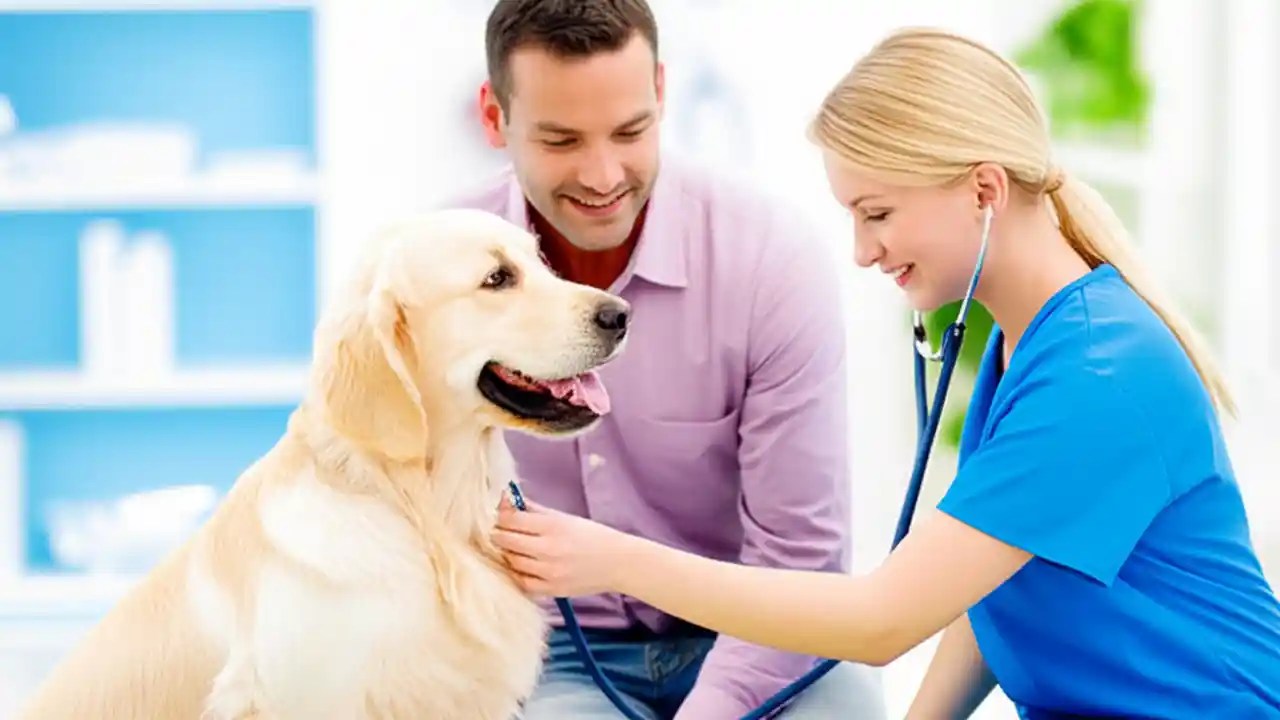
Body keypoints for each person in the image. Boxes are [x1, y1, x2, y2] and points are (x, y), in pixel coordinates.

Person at [493, 26, 1280, 720]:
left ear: (983, 190)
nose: (862, 251)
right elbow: (991, 580)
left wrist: (611, 558)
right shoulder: (1032, 346)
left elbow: (882, 621)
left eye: (876, 213)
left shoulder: (1099, 377)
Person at [445, 1, 886, 718]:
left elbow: (800, 561)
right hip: (550, 658)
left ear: (661, 91)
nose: (602, 174)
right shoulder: (445, 271)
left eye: (631, 131)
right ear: (494, 117)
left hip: (763, 631)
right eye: (560, 139)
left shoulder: (769, 260)